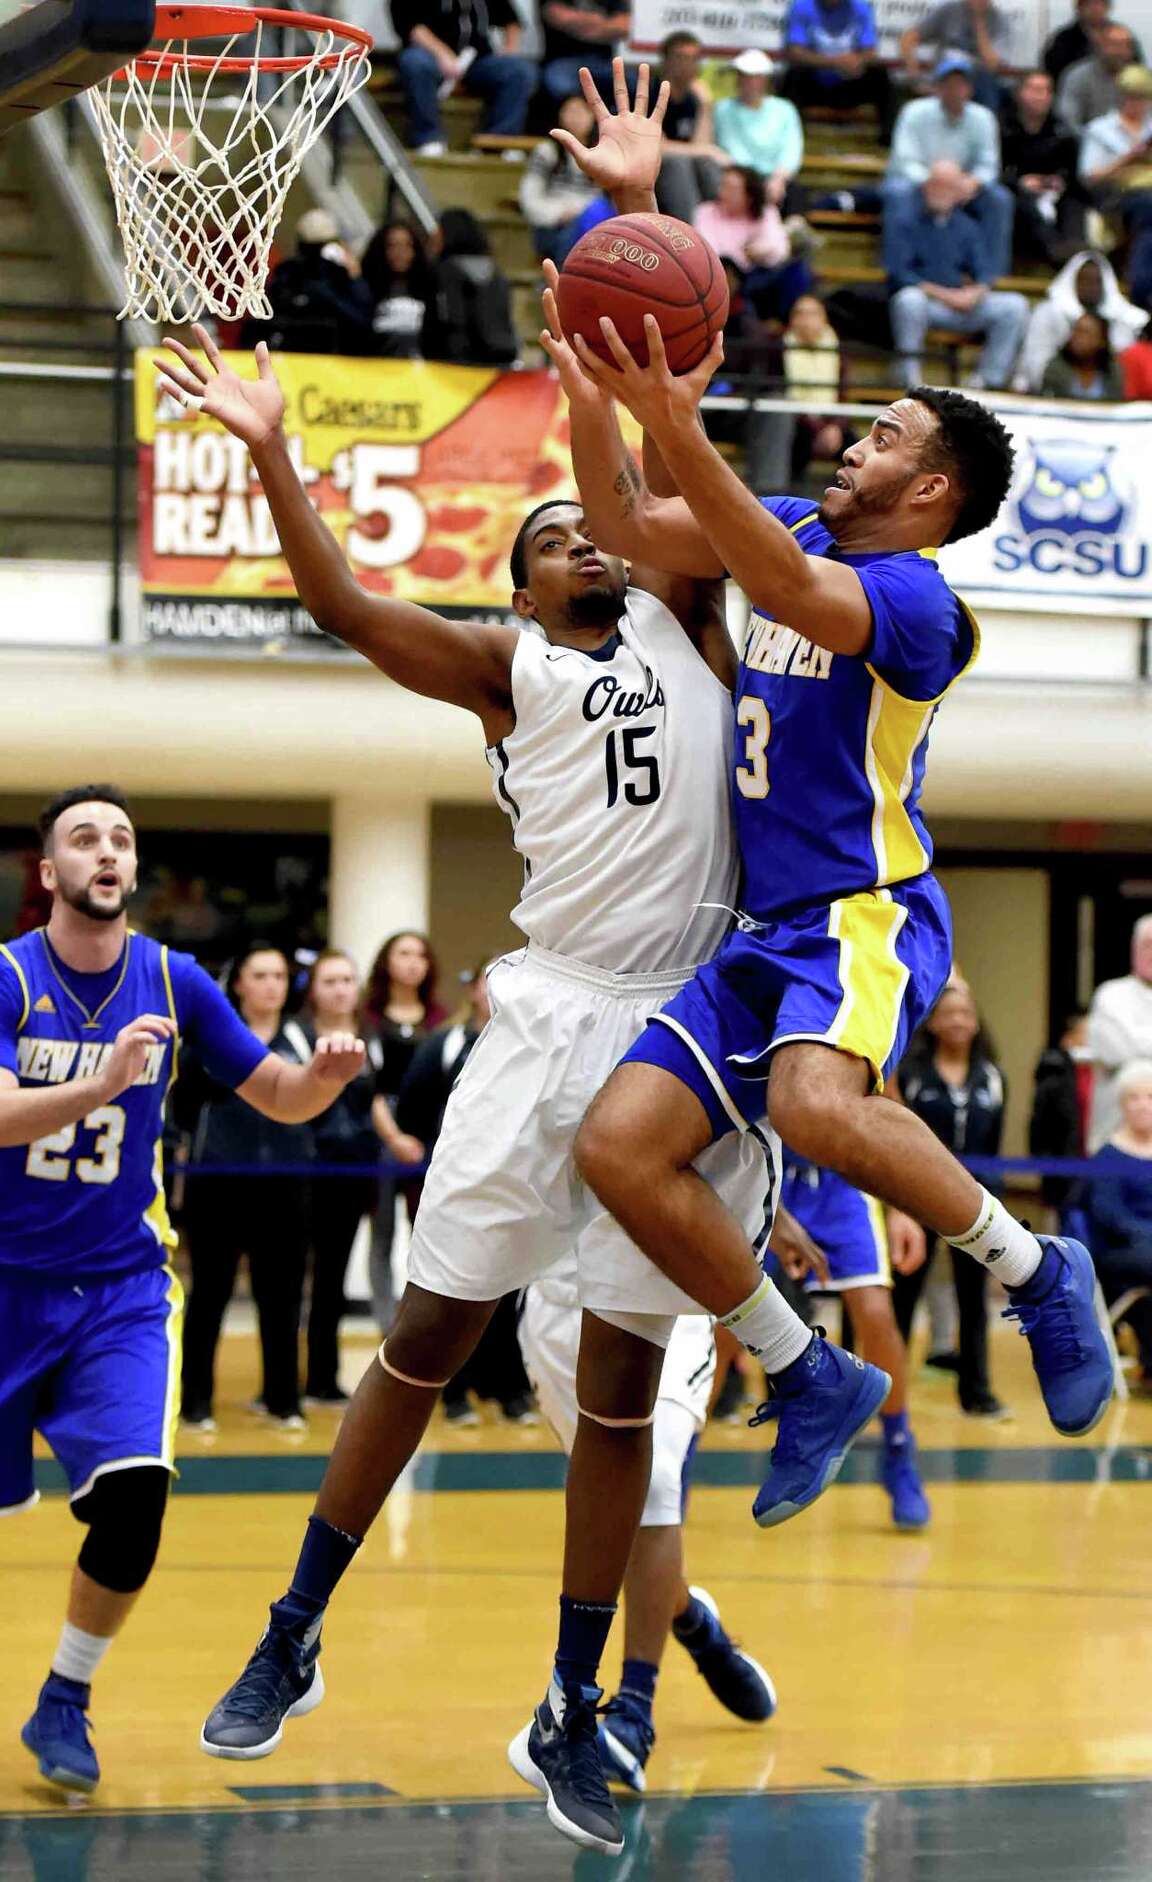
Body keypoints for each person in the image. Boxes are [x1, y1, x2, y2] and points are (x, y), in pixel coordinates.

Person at [158, 85, 797, 1853]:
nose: (581, 540)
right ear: (515, 589)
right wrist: (282, 450)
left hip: (680, 1043)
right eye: (548, 540)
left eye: (592, 529)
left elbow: (643, 427)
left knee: (614, 1394)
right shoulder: (503, 672)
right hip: (549, 1017)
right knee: (428, 1335)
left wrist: (636, 205)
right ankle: (292, 1628)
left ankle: (580, 1700)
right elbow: (349, 609)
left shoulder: (694, 617)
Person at [547, 62, 1112, 1540]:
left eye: (882, 439)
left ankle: (1031, 1268)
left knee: (814, 1099)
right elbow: (617, 523)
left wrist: (668, 409)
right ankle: (808, 1370)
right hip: (761, 925)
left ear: (930, 493)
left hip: (862, 913)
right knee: (615, 1150)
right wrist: (620, 269)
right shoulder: (790, 518)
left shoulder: (922, 604)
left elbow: (787, 583)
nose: (851, 445)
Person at [0, 785, 363, 1795]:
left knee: (136, 1499)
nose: (107, 852)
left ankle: (65, 1696)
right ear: (49, 872)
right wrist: (97, 1085)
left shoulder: (176, 981)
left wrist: (326, 1083)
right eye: (84, 838)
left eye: (122, 840)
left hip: (123, 1290)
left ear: (133, 873)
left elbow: (272, 1088)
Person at [519, 1263, 780, 1790]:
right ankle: (693, 1622)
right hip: (558, 1304)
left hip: (671, 1303)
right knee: (620, 1507)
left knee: (655, 1479)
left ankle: (634, 1712)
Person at [177, 943, 318, 1433]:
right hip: (217, 1184)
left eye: (279, 975)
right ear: (239, 984)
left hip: (286, 1187)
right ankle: (195, 1403)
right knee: (209, 1294)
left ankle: (284, 1401)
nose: (271, 985)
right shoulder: (212, 1038)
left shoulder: (303, 1038)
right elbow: (183, 1105)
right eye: (260, 975)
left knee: (282, 1297)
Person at [394, 961, 535, 1424]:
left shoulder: (534, 1044)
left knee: (509, 1292)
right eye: (489, 980)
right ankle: (453, 1394)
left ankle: (510, 1391)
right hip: (452, 1186)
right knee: (447, 1293)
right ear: (473, 989)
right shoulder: (444, 1044)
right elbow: (412, 1106)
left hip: (517, 1185)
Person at [772, 1160, 929, 1527]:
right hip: (771, 1173)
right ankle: (680, 1459)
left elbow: (887, 1113)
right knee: (725, 1327)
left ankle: (898, 1447)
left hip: (841, 1181)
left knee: (875, 1313)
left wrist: (900, 1208)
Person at [891, 983, 1009, 1417]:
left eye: (966, 1013)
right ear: (934, 1022)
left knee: (973, 1297)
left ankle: (977, 1393)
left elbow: (994, 1148)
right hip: (918, 1196)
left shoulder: (992, 1078)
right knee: (903, 1295)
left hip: (974, 1201)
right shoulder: (912, 1075)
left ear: (976, 1022)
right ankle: (890, 1391)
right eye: (950, 1013)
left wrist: (997, 1205)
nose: (958, 1020)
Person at [303, 950, 380, 1407]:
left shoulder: (371, 1038)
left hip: (355, 1173)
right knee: (296, 1281)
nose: (339, 989)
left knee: (332, 1278)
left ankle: (323, 1378)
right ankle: (282, 1383)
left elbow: (376, 1104)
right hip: (307, 1170)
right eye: (330, 980)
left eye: (347, 980)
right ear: (314, 989)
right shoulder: (299, 1036)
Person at [361, 930, 446, 1336]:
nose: (413, 962)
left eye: (421, 955)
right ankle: (384, 1325)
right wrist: (393, 1137)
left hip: (431, 1134)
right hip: (381, 1132)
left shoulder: (440, 1019)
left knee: (428, 1231)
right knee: (382, 1235)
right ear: (387, 961)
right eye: (404, 953)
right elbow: (370, 1088)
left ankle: (422, 1325)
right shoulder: (369, 1018)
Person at [885, 163, 1029, 388]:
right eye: (936, 185)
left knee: (1015, 305)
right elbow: (900, 274)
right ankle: (909, 378)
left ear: (958, 191)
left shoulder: (967, 227)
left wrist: (975, 293)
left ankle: (987, 381)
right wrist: (946, 295)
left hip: (962, 305)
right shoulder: (905, 223)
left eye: (948, 186)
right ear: (925, 187)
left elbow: (984, 271)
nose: (940, 192)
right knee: (908, 300)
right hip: (929, 304)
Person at [885, 53, 1014, 281]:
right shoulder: (914, 112)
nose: (955, 89)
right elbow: (903, 161)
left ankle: (990, 276)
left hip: (962, 186)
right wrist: (936, 182)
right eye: (948, 83)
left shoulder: (983, 118)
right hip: (919, 183)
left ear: (970, 89)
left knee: (999, 199)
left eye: (961, 84)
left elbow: (989, 166)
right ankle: (898, 271)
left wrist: (971, 182)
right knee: (898, 193)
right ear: (937, 88)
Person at [389, 0, 536, 156]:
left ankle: (497, 142)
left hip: (476, 60)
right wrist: (442, 54)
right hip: (430, 55)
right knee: (414, 62)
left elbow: (511, 20)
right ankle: (428, 138)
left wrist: (509, 50)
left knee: (519, 70)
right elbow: (411, 25)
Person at [1085, 1058, 1152, 1382]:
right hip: (1120, 1253)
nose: (1142, 1105)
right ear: (1122, 1104)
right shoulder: (1107, 1155)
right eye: (1134, 1097)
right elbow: (1109, 1215)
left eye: (1150, 1097)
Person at [242, 208, 373, 355]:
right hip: (289, 353)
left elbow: (361, 322)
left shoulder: (341, 274)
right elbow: (264, 316)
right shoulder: (288, 272)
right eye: (310, 248)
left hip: (333, 356)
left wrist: (353, 279)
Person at [1011, 249, 1146, 391]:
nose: (1090, 287)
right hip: (1052, 387)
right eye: (1084, 281)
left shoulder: (1125, 317)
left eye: (1096, 281)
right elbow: (1035, 362)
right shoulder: (1048, 313)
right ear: (1072, 281)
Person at [693, 165, 812, 320]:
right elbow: (706, 250)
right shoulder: (706, 211)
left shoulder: (766, 212)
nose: (723, 192)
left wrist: (759, 250)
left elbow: (780, 249)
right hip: (722, 277)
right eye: (723, 185)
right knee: (725, 268)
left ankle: (782, 322)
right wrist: (741, 254)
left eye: (731, 188)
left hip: (757, 276)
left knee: (797, 269)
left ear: (749, 195)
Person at [1078, 65, 1152, 306]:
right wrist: (1128, 158)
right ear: (1121, 97)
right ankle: (1141, 290)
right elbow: (1090, 176)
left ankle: (1141, 287)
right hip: (1117, 195)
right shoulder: (1101, 129)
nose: (1138, 103)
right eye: (1132, 96)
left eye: (1143, 97)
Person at [1000, 69, 1088, 265]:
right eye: (1035, 90)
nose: (1041, 96)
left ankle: (1078, 252)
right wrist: (1020, 182)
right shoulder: (1003, 127)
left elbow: (1072, 174)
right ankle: (1055, 249)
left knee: (1074, 202)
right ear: (1019, 93)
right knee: (1021, 202)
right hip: (1016, 191)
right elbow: (995, 170)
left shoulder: (1062, 131)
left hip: (1053, 192)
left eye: (1046, 91)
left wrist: (1059, 180)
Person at [781, 0, 894, 141]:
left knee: (880, 74)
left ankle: (888, 139)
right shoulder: (801, 6)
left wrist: (856, 61)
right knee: (793, 75)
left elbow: (870, 52)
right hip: (815, 85)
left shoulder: (861, 7)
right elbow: (794, 51)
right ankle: (791, 138)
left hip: (850, 83)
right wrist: (834, 62)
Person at [520, 93, 609, 266]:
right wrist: (559, 214)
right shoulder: (547, 151)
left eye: (582, 112)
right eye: (570, 111)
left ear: (593, 117)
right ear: (560, 115)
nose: (576, 118)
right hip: (553, 225)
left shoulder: (601, 152)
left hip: (592, 222)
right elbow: (529, 198)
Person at [423, 208, 519, 367]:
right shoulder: (496, 271)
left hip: (457, 365)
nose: (433, 237)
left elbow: (449, 317)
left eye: (438, 230)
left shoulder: (445, 270)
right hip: (502, 357)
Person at [1088, 912, 1152, 1149]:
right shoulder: (1111, 995)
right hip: (1113, 1138)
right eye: (1147, 945)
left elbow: (1133, 1050)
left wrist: (1137, 1038)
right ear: (1134, 949)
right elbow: (1118, 1053)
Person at [712, 49, 805, 208]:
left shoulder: (785, 109)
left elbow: (792, 149)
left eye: (756, 76)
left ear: (765, 79)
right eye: (745, 75)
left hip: (776, 178)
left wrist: (779, 178)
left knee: (798, 193)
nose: (750, 82)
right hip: (738, 178)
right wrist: (746, 179)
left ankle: (793, 227)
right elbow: (727, 145)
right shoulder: (722, 109)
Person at [654, 32, 725, 224]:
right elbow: (655, 146)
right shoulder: (651, 92)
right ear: (666, 60)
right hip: (652, 170)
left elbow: (701, 147)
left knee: (707, 162)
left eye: (694, 59)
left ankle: (723, 228)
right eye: (681, 57)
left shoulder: (693, 98)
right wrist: (704, 150)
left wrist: (705, 106)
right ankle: (694, 232)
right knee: (678, 162)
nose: (688, 64)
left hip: (687, 170)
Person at [781, 291, 851, 481]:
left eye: (812, 314)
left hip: (830, 422)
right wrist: (819, 429)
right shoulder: (778, 349)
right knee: (794, 438)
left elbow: (844, 397)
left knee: (856, 449)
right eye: (799, 314)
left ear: (824, 319)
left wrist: (835, 427)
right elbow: (783, 397)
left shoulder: (837, 350)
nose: (805, 320)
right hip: (798, 422)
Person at [1029, 1011, 1091, 1212]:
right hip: (1063, 1164)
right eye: (1086, 1033)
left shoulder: (1109, 1075)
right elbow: (1040, 1122)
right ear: (1069, 1039)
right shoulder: (1054, 1074)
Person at [899, 0, 1010, 109]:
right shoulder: (949, 10)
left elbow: (992, 64)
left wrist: (978, 22)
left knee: (989, 89)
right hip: (946, 71)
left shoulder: (998, 20)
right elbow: (908, 39)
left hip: (978, 78)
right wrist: (915, 77)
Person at [358, 221, 437, 360]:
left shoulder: (430, 287)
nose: (400, 253)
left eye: (407, 246)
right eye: (392, 246)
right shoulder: (366, 288)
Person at [541, 0, 634, 107]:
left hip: (606, 61)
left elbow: (626, 25)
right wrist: (603, 24)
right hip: (565, 60)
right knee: (559, 78)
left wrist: (584, 24)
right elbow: (557, 15)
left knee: (638, 79)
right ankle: (581, 118)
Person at [1057, 20, 1138, 131]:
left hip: (1134, 143)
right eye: (1116, 45)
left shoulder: (1140, 79)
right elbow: (1069, 121)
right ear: (1100, 47)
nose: (1122, 51)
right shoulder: (1078, 76)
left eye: (1127, 45)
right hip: (1087, 143)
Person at [1044, 0, 1142, 89]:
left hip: (1119, 93)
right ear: (1079, 7)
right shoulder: (1065, 38)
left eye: (1101, 4)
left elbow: (1137, 67)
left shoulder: (1122, 34)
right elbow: (1052, 72)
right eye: (1091, 4)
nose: (1096, 9)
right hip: (1075, 91)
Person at [1039, 309, 1124, 395]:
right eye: (1076, 331)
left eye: (1085, 333)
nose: (1078, 338)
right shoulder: (1055, 369)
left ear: (1102, 341)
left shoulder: (1112, 372)